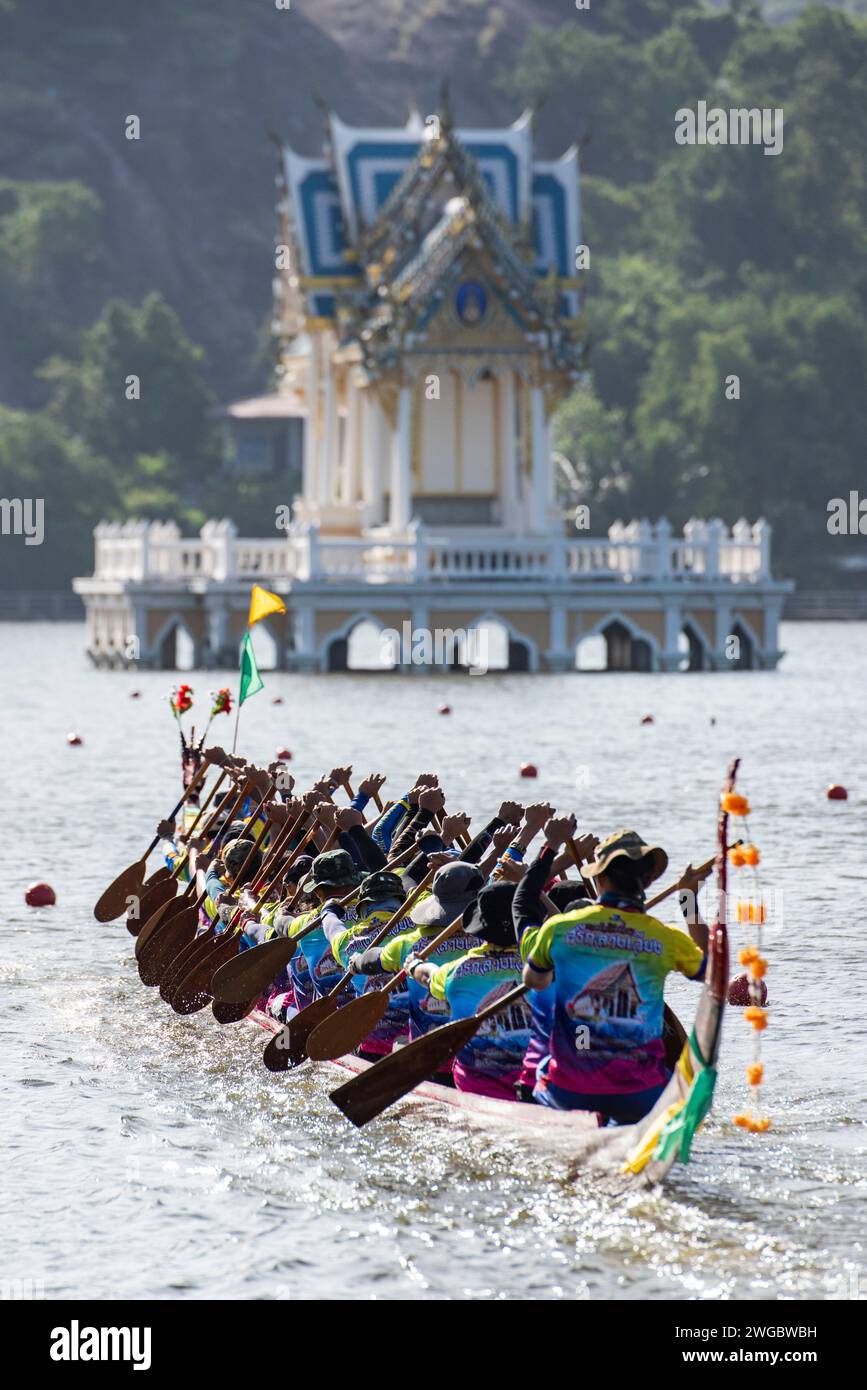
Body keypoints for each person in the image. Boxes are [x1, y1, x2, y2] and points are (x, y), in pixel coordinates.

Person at [520, 827, 710, 1124]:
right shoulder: (665, 937)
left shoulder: (559, 927)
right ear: (647, 881)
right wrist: (688, 897)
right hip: (642, 1096)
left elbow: (533, 981)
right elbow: (712, 971)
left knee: (540, 1070)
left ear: (599, 879)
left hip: (570, 1091)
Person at [408, 881, 530, 1102]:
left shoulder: (456, 971)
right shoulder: (545, 966)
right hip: (533, 1087)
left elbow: (427, 975)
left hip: (474, 1086)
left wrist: (414, 966)